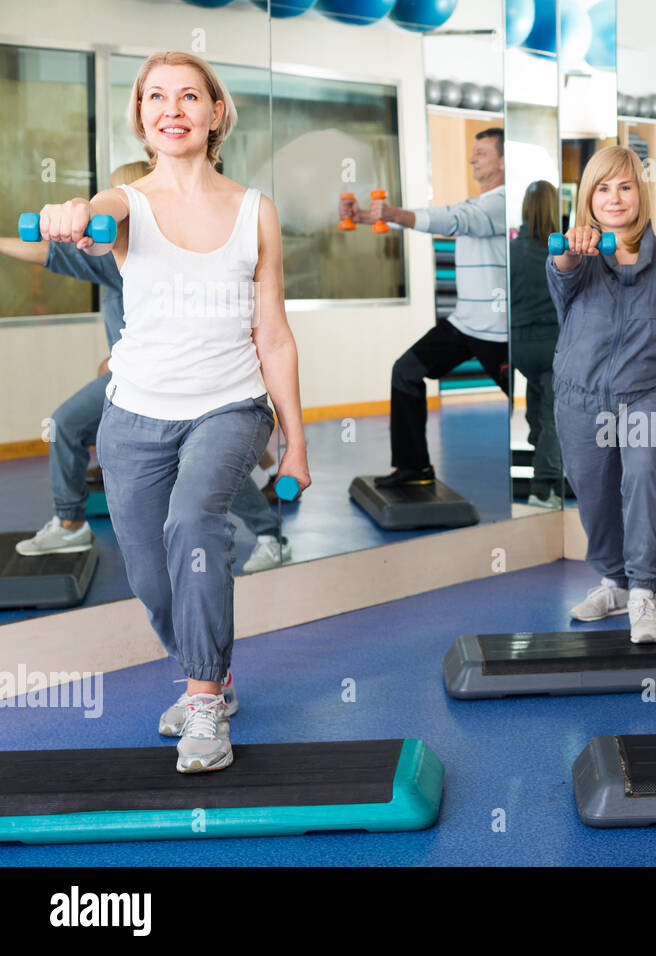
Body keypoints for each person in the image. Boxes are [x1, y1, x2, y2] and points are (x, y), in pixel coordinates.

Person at [35, 51, 310, 772]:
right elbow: (98, 216)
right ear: (141, 117)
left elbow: (273, 332)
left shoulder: (256, 211)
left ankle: (203, 703)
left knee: (194, 521)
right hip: (134, 416)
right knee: (152, 578)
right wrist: (74, 213)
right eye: (155, 96)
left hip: (230, 406)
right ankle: (209, 674)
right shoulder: (126, 202)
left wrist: (297, 443)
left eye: (190, 95)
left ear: (216, 112)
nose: (172, 108)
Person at [3, 164, 290, 575]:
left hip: (171, 378)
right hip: (135, 378)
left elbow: (47, 253)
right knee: (188, 461)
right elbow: (54, 249)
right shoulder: (117, 245)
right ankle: (72, 522)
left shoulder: (144, 246)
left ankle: (267, 531)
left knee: (74, 425)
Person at [547, 145, 656, 644]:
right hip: (579, 394)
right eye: (602, 187)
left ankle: (643, 590)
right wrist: (573, 246)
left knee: (642, 476)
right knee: (593, 493)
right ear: (587, 197)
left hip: (647, 392)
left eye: (625, 186)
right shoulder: (579, 253)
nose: (614, 198)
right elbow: (563, 264)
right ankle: (613, 583)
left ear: (641, 194)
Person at [342, 129, 507, 488]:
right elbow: (452, 214)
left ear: (503, 161)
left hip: (500, 331)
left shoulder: (502, 203)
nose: (472, 159)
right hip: (465, 325)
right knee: (406, 371)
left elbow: (453, 220)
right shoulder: (478, 204)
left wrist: (394, 213)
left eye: (480, 152)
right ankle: (413, 466)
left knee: (545, 407)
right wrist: (373, 217)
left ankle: (570, 468)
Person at [509, 180, 565, 508]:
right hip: (552, 342)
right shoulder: (559, 249)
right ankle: (543, 488)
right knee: (552, 416)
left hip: (519, 345)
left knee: (537, 404)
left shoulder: (512, 249)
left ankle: (540, 451)